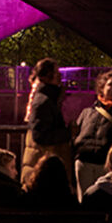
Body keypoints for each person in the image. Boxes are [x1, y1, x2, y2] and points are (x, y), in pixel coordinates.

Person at [73, 70, 112, 197]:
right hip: (84, 162)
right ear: (101, 88)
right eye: (111, 85)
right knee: (84, 200)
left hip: (105, 165)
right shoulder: (87, 112)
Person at [23, 58, 75, 190]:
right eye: (56, 72)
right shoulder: (44, 102)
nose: (60, 76)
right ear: (46, 76)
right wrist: (68, 133)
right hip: (45, 164)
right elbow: (41, 136)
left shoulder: (45, 98)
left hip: (42, 163)